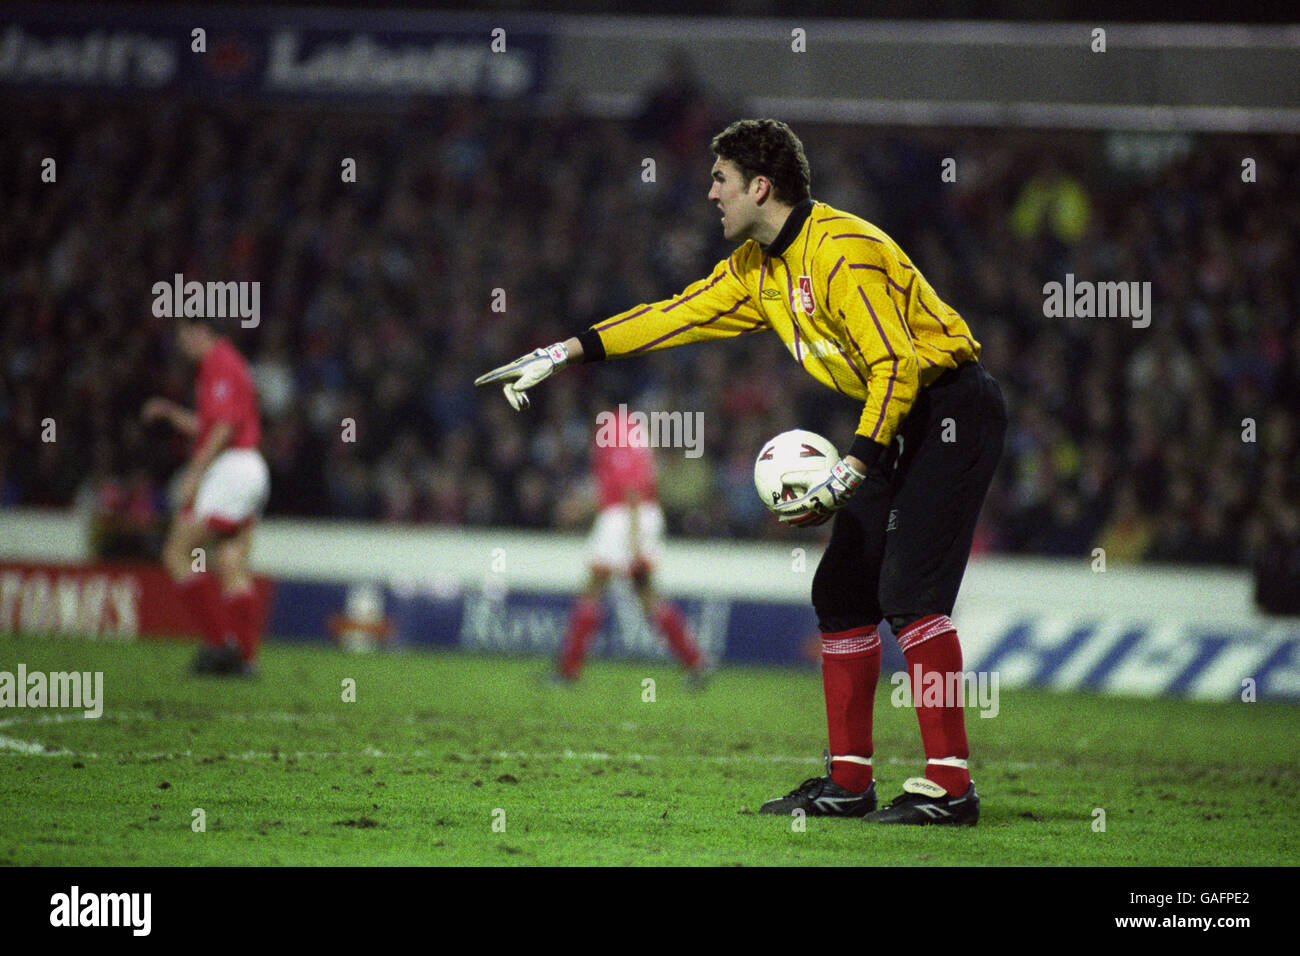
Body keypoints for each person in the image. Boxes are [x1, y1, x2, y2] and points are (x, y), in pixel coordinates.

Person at [476, 119, 1007, 826]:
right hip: (891, 415)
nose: (710, 193)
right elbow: (674, 316)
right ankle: (849, 783)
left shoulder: (840, 252)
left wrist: (854, 466)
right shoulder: (756, 271)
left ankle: (951, 788)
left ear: (761, 186)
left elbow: (898, 364)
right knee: (842, 593)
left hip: (947, 410)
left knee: (911, 593)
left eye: (720, 179)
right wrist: (567, 350)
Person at [142, 316, 269, 676]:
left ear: (201, 333)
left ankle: (220, 644)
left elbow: (225, 429)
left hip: (231, 469)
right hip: (249, 468)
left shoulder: (220, 363)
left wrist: (194, 475)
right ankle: (245, 659)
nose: (182, 346)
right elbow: (211, 425)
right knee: (230, 563)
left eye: (184, 337)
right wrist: (170, 413)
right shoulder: (229, 364)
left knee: (176, 551)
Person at [554, 406, 710, 684]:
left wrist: (635, 537)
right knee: (647, 594)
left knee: (593, 588)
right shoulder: (633, 430)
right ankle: (696, 664)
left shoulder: (615, 430)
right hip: (636, 515)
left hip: (625, 518)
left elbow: (631, 487)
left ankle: (568, 671)